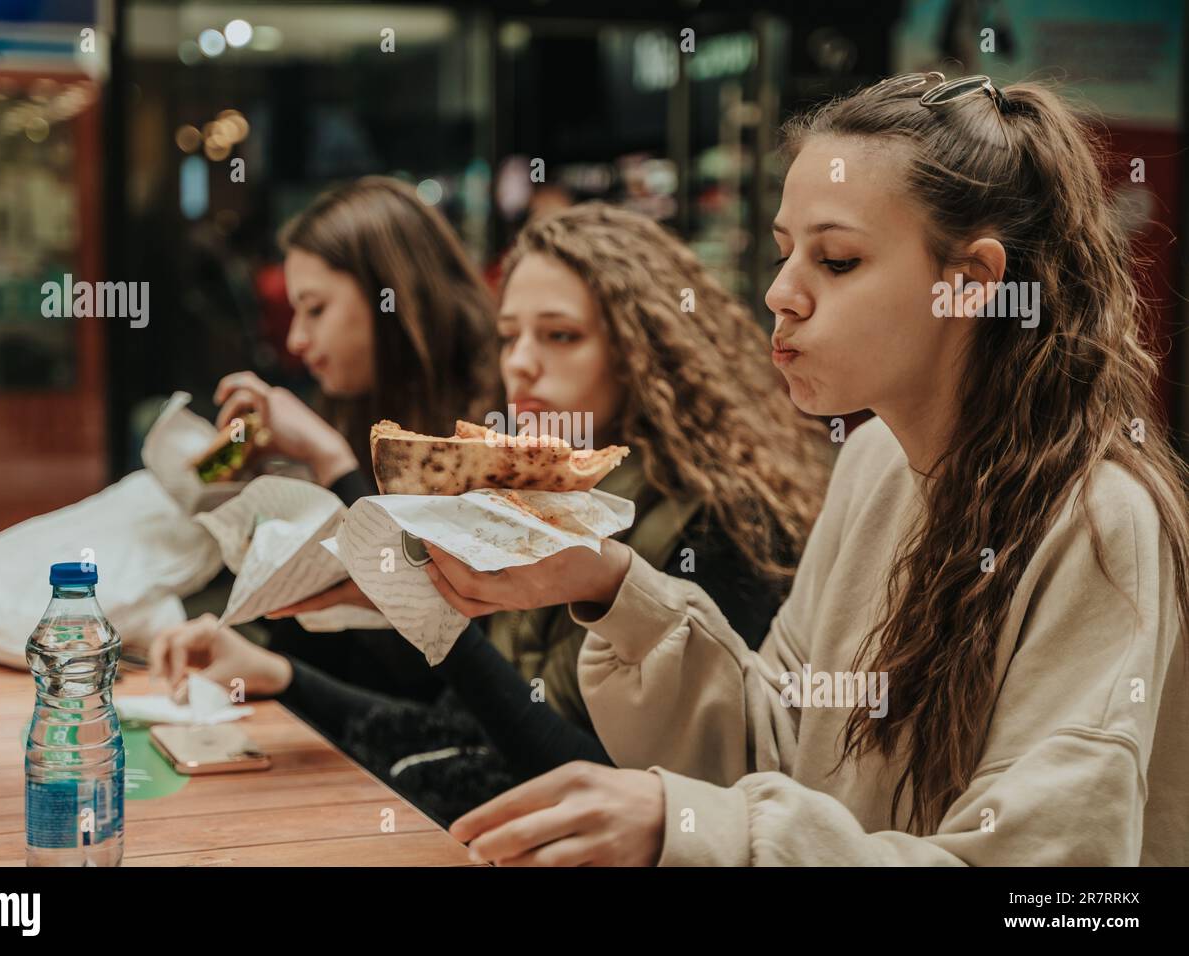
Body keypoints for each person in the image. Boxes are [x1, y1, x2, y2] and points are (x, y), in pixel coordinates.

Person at [423, 74, 1189, 865]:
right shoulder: (873, 460)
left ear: (970, 285)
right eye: (787, 253)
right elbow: (785, 740)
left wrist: (691, 825)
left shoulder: (1102, 526)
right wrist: (609, 583)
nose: (780, 294)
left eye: (839, 260)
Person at [151, 203, 833, 823]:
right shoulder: (529, 491)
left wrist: (427, 609)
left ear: (642, 351)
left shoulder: (723, 526)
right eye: (510, 337)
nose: (522, 366)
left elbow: (594, 788)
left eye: (560, 336)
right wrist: (285, 676)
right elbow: (464, 734)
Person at [203, 175, 500, 698]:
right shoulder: (363, 408)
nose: (297, 339)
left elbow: (429, 661)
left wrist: (330, 460)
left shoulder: (491, 433)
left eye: (316, 309)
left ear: (393, 294)